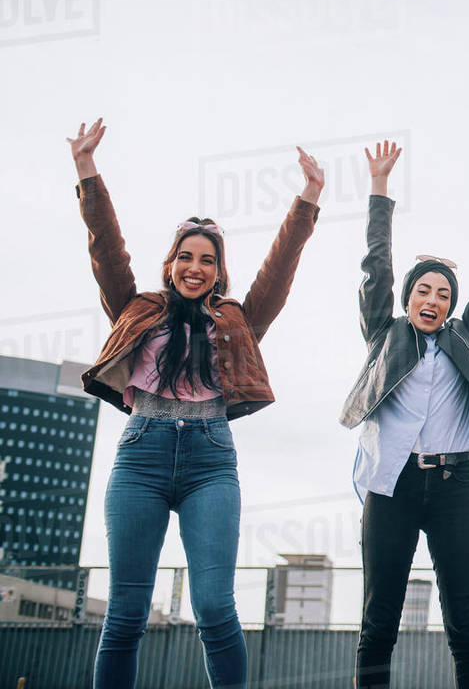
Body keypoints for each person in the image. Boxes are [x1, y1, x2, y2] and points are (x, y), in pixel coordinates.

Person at [70, 118, 324, 689]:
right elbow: (107, 250)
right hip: (140, 456)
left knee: (214, 606)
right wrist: (87, 169)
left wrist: (307, 198)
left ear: (217, 272)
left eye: (207, 260)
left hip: (211, 459)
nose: (195, 267)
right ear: (171, 263)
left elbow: (276, 273)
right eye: (187, 256)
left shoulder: (236, 320)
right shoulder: (136, 308)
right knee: (126, 612)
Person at [340, 142, 469, 688]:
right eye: (424, 290)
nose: (433, 300)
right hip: (391, 484)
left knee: (465, 621)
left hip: (454, 486)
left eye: (443, 293)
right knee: (379, 620)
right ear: (409, 297)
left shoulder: (467, 335)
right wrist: (379, 189)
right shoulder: (386, 334)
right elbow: (375, 269)